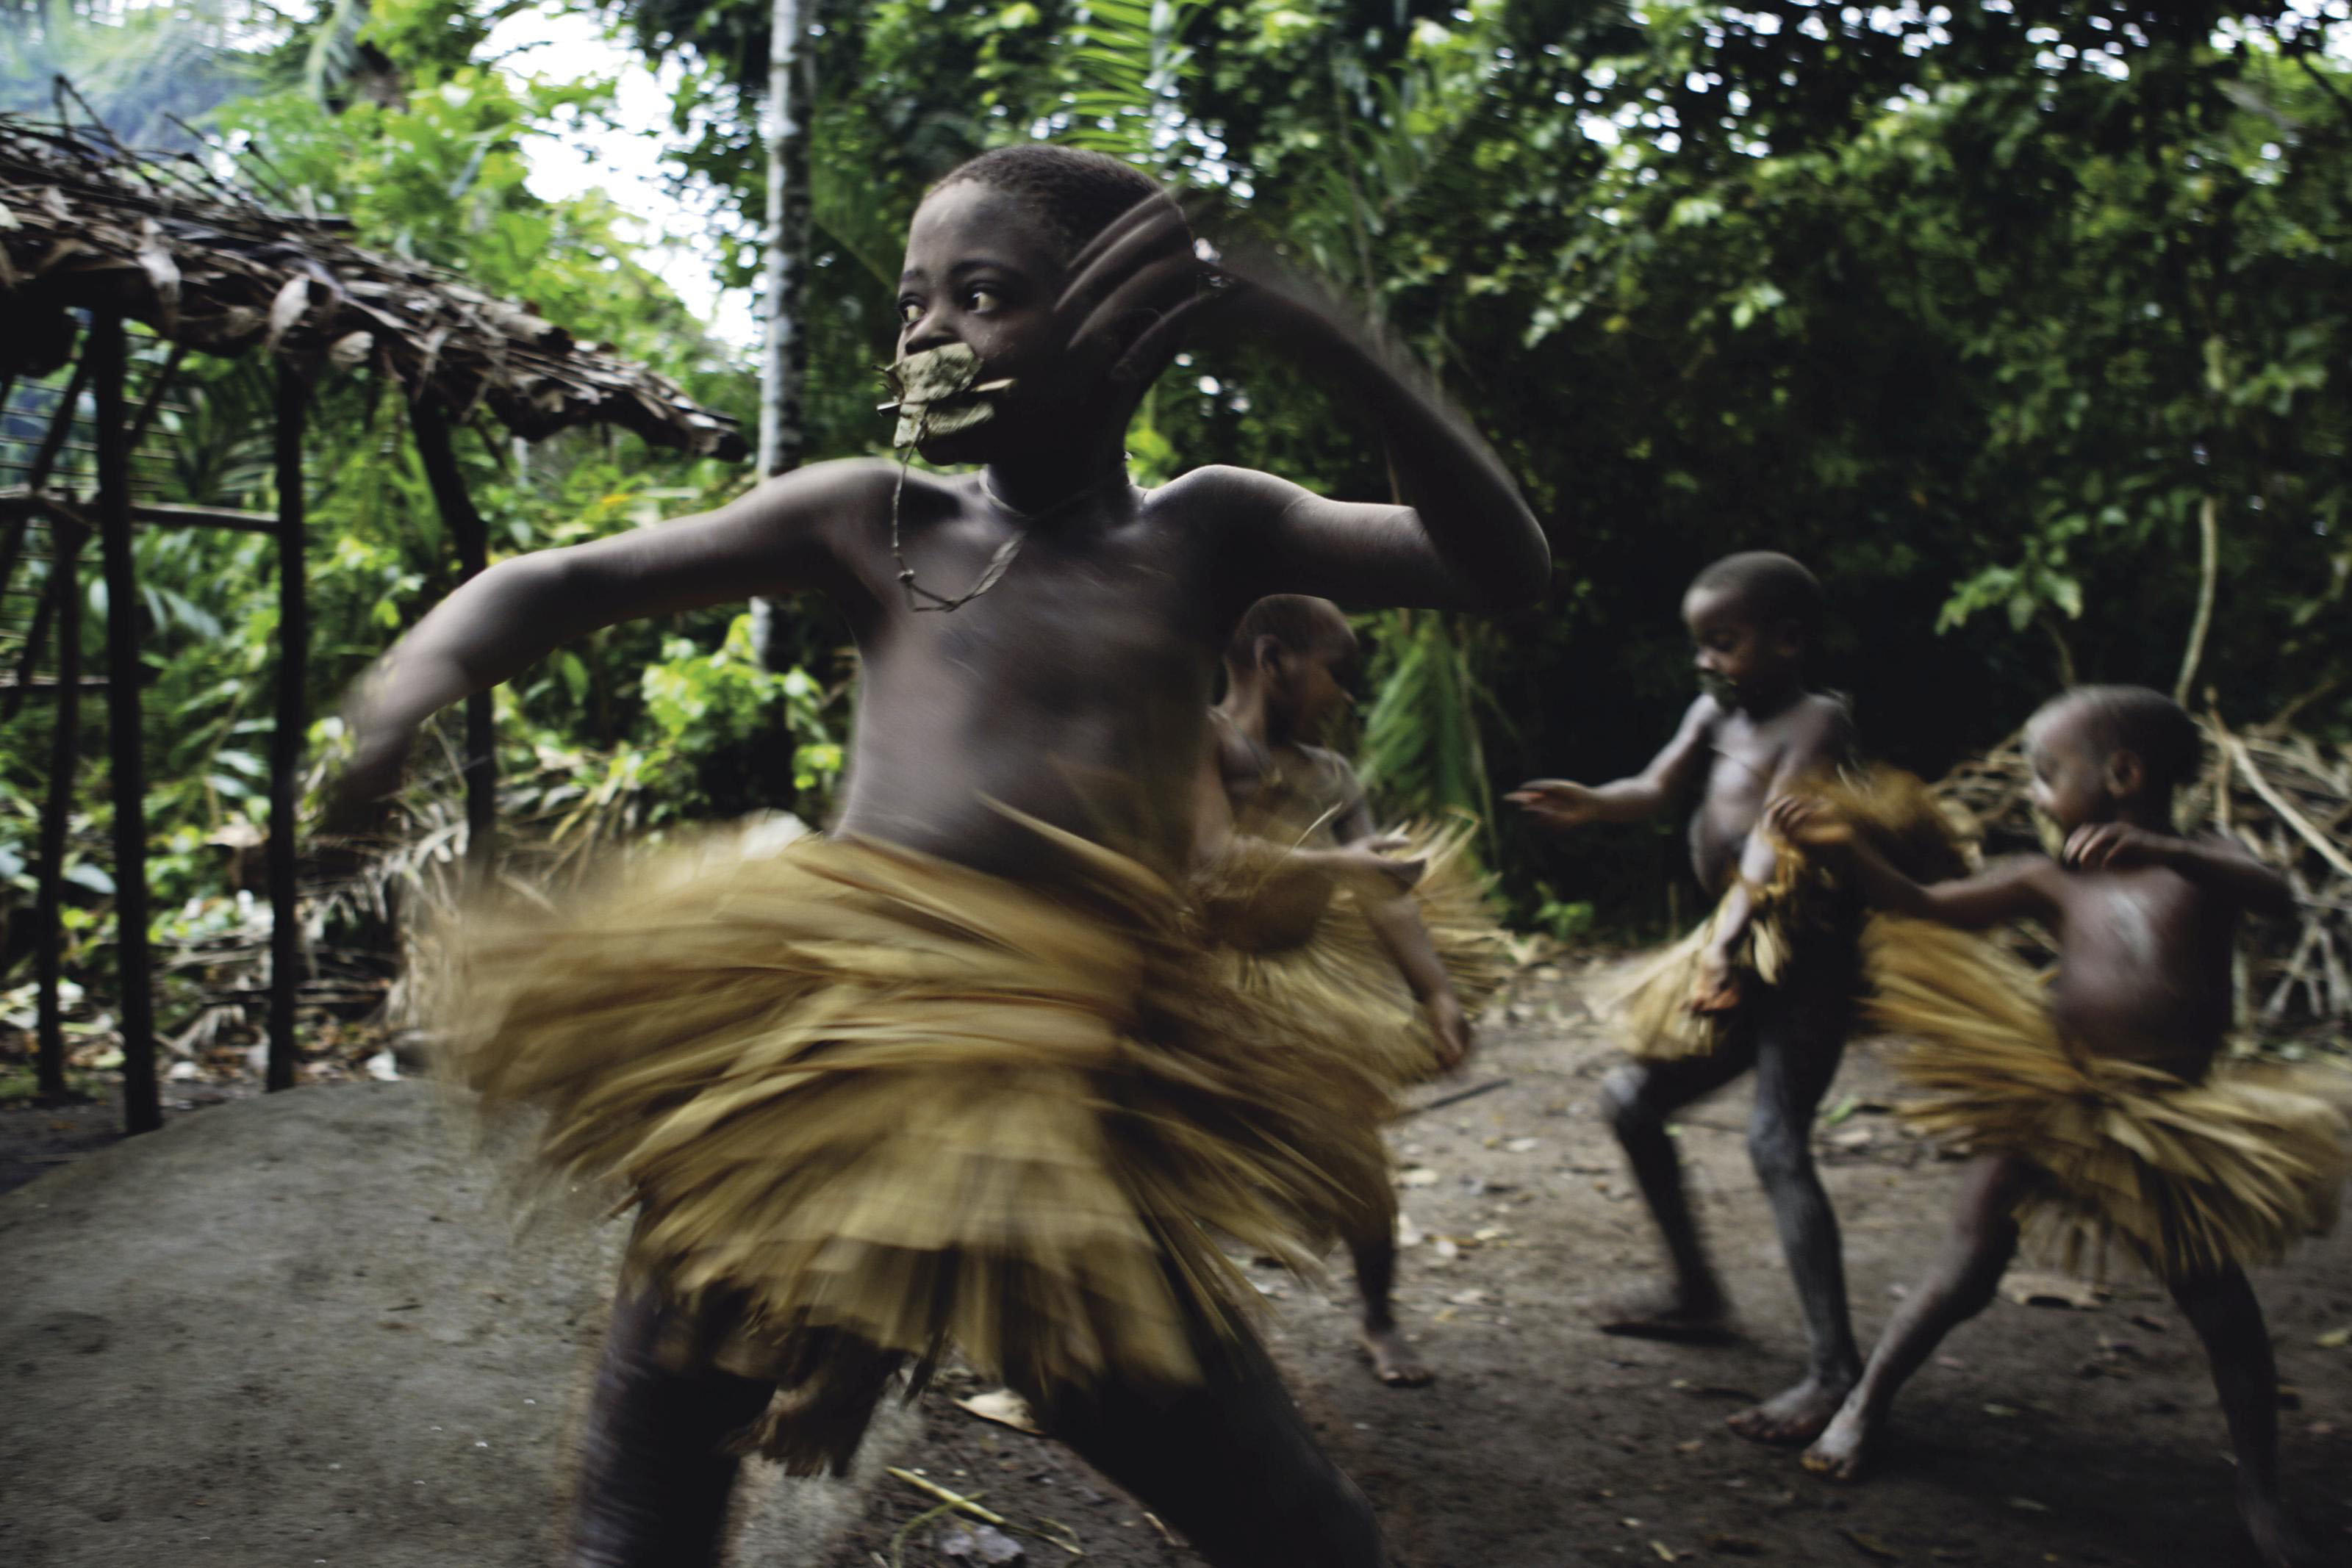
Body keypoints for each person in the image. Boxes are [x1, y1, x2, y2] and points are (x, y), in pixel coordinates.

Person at [338, 143, 1549, 1568]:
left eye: (981, 296)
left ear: (1126, 330)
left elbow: (1499, 568)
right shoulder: (876, 514)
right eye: (915, 300)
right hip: (822, 1052)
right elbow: (566, 580)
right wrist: (400, 693)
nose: (928, 329)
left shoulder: (1209, 529)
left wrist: (1323, 335)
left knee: (1291, 1521)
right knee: (643, 1500)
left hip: (1067, 1095)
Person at [1768, 686, 2345, 1568]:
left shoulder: (2206, 864)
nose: (2035, 795)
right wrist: (1847, 851)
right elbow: (1926, 903)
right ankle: (1863, 1403)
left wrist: (2161, 847)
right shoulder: (2050, 880)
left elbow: (2270, 892)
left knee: (2220, 1309)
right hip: (2052, 1099)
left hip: (2162, 1122)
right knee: (1962, 1266)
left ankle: (2259, 1494)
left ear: (2122, 775)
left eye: (2046, 776)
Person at [1507, 553, 1960, 1447]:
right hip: (1731, 953)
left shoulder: (1816, 719)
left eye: (1723, 643)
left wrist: (1721, 945)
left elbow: (1773, 836)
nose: (1706, 662)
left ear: (1786, 640)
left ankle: (1833, 1368)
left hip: (1799, 958)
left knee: (1773, 1141)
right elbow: (1654, 786)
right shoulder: (1713, 711)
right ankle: (1695, 1294)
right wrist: (1593, 804)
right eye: (1699, 646)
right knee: (1630, 1099)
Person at [1194, 593, 1508, 1386]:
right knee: (1191, 1162)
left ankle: (1378, 1317)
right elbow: (1209, 858)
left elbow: (1384, 893)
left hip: (1306, 980)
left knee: (1358, 1165)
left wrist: (1434, 990)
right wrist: (1340, 863)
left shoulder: (1330, 773)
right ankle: (1189, 1344)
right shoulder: (1201, 740)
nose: (1347, 695)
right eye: (1337, 673)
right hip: (1204, 985)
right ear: (1273, 662)